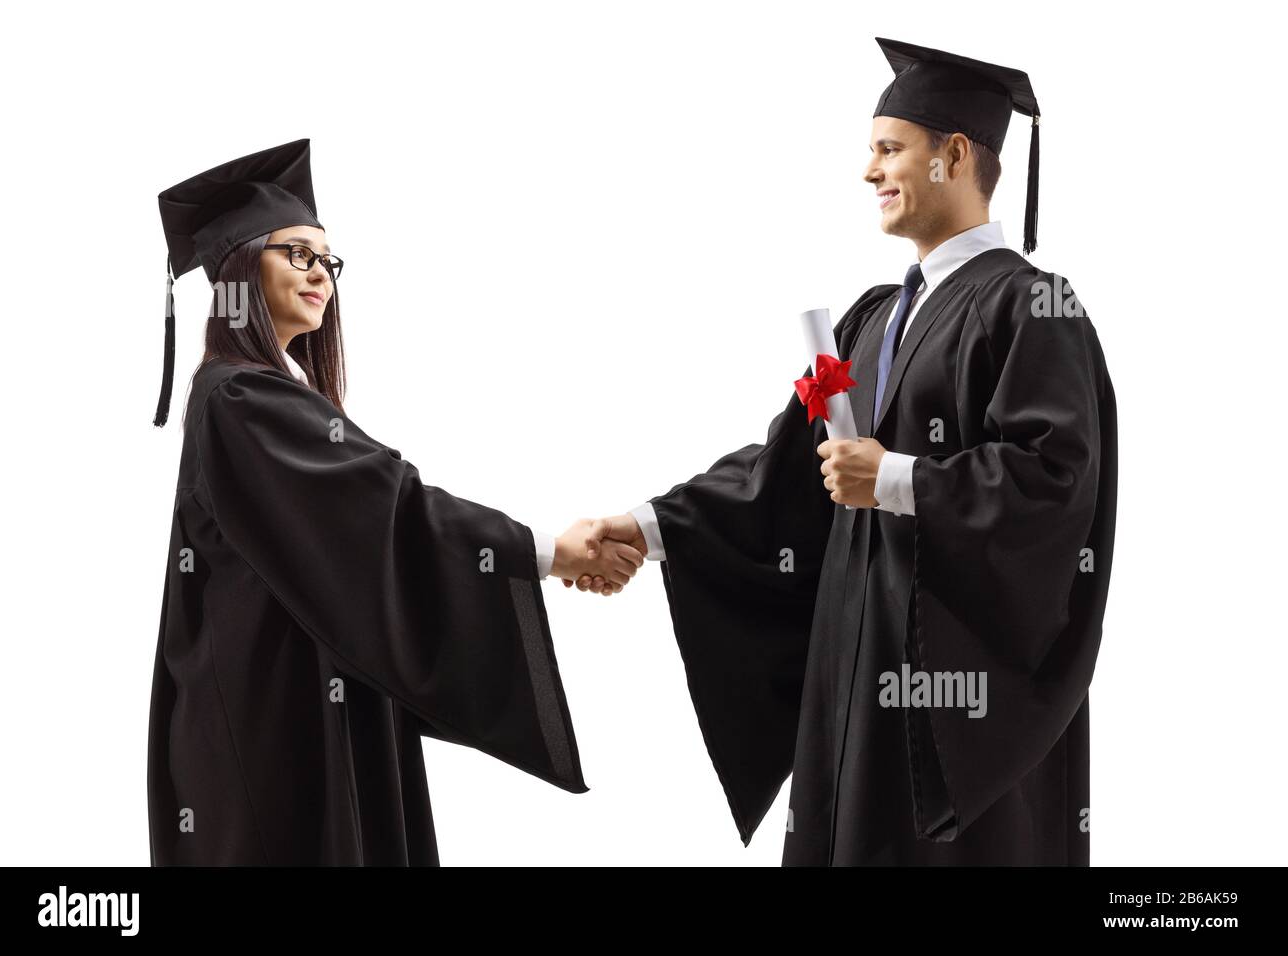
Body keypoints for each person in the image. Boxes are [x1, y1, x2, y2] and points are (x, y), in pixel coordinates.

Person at [573, 38, 1118, 866]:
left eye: (888, 149)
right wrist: (644, 530)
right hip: (855, 688)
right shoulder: (871, 319)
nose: (869, 172)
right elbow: (779, 477)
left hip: (959, 715)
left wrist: (895, 478)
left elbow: (1056, 482)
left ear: (955, 155)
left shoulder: (1034, 306)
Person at [147, 139, 643, 865]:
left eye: (328, 261)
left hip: (308, 706)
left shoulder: (260, 393)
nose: (321, 276)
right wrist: (542, 551)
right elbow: (387, 509)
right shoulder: (240, 397)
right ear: (238, 270)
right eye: (298, 255)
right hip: (272, 727)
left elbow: (365, 522)